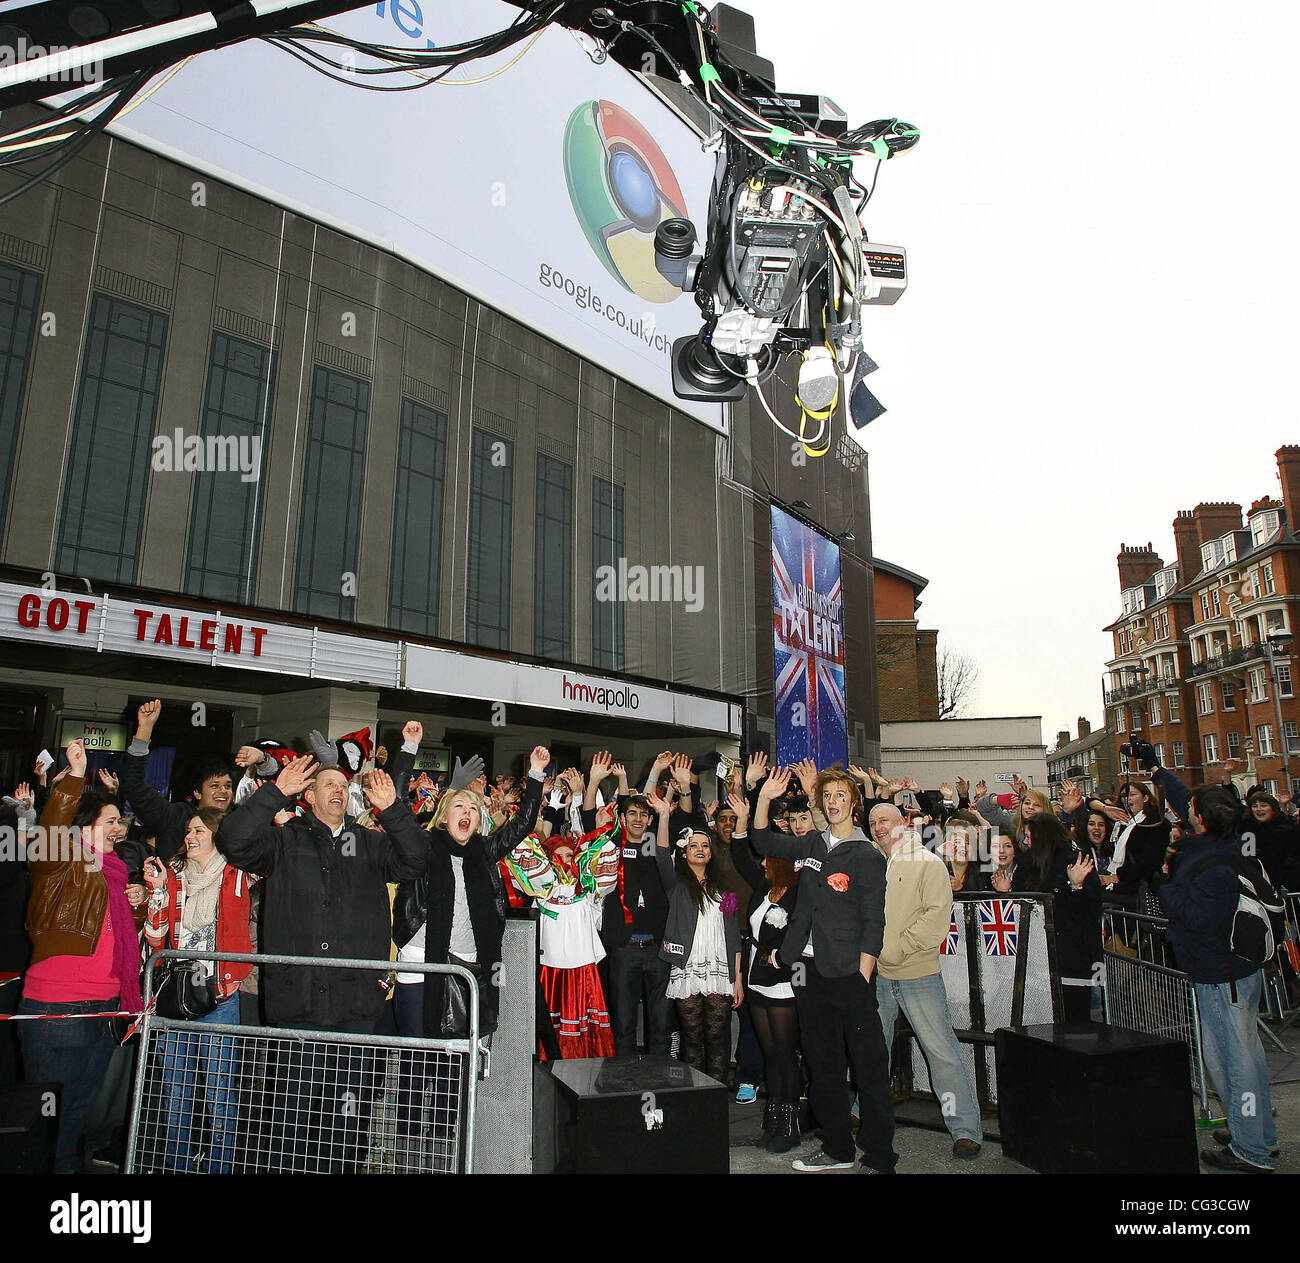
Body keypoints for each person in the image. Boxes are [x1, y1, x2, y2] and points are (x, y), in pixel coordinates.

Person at [217, 752, 428, 1172]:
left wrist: (393, 811)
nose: (335, 789)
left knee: (347, 1121)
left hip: (355, 1007)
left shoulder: (368, 843)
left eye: (341, 785)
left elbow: (418, 860)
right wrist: (274, 792)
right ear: (308, 795)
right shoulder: (284, 841)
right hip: (297, 1005)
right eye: (325, 784)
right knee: (291, 1118)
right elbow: (232, 840)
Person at [751, 766, 895, 1175]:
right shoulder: (812, 843)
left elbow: (874, 919)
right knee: (823, 1064)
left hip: (850, 974)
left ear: (854, 803)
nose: (833, 802)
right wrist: (765, 797)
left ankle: (881, 1157)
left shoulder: (865, 854)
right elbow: (761, 840)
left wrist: (864, 974)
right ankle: (837, 1149)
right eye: (827, 795)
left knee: (868, 1066)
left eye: (840, 796)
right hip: (808, 972)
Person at [17, 739, 143, 1173]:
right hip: (59, 1008)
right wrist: (73, 777)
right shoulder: (57, 858)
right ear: (82, 825)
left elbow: (119, 937)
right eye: (110, 821)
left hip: (104, 1007)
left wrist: (141, 901)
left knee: (77, 1112)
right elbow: (50, 829)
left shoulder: (114, 872)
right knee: (46, 1118)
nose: (118, 829)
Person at [1159, 784, 1280, 1173]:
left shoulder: (1211, 865)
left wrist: (1164, 887)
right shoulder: (1234, 846)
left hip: (1220, 974)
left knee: (1233, 1058)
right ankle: (1258, 1132)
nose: (1186, 808)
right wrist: (1159, 771)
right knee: (1249, 1054)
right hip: (1240, 970)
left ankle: (1251, 1150)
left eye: (1191, 807)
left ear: (1202, 818)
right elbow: (1191, 799)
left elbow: (1199, 918)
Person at [142, 809, 255, 1173]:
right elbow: (155, 938)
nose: (190, 837)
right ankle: (177, 1165)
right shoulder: (172, 878)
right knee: (176, 1090)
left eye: (199, 831)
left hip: (221, 997)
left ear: (217, 836)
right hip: (174, 999)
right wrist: (157, 893)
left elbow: (264, 848)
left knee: (220, 1093)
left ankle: (219, 1167)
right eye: (188, 831)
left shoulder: (239, 876)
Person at [868, 802, 983, 1157]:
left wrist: (898, 950)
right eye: (872, 822)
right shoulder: (872, 864)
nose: (878, 827)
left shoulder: (928, 862)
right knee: (873, 1051)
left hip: (917, 974)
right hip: (879, 975)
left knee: (942, 1053)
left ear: (903, 822)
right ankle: (863, 1111)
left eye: (884, 820)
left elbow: (936, 918)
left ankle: (964, 1128)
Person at [725, 789, 802, 1151]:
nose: (761, 863)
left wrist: (781, 957)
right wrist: (743, 819)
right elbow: (741, 854)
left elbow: (800, 933)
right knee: (769, 1052)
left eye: (768, 859)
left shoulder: (799, 892)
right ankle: (773, 1118)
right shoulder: (763, 887)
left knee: (785, 1053)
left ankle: (790, 1123)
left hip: (784, 982)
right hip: (757, 979)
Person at [506, 811, 619, 1058]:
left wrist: (602, 830)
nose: (566, 861)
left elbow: (607, 872)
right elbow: (525, 859)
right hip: (549, 971)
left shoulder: (587, 888)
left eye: (570, 855)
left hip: (583, 973)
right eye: (559, 856)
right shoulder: (542, 887)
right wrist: (528, 823)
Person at [649, 792, 742, 1084]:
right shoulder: (675, 884)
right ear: (685, 852)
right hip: (686, 968)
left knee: (716, 1038)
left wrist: (737, 979)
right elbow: (661, 854)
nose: (700, 849)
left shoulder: (725, 888)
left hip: (720, 971)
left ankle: (717, 1097)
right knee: (692, 1039)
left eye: (704, 845)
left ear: (711, 852)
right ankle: (695, 1096)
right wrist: (664, 815)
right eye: (693, 846)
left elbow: (734, 936)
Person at [121, 700, 235, 866]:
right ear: (197, 793)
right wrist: (144, 729)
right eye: (214, 786)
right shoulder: (175, 817)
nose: (223, 791)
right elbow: (134, 785)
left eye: (227, 786)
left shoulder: (239, 821)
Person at [1017, 814, 1103, 1023]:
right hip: (1041, 959)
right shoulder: (1030, 864)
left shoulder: (1076, 860)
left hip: (1073, 958)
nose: (1026, 842)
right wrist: (1007, 892)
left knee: (1077, 1023)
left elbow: (1088, 907)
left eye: (1029, 837)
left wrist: (1076, 886)